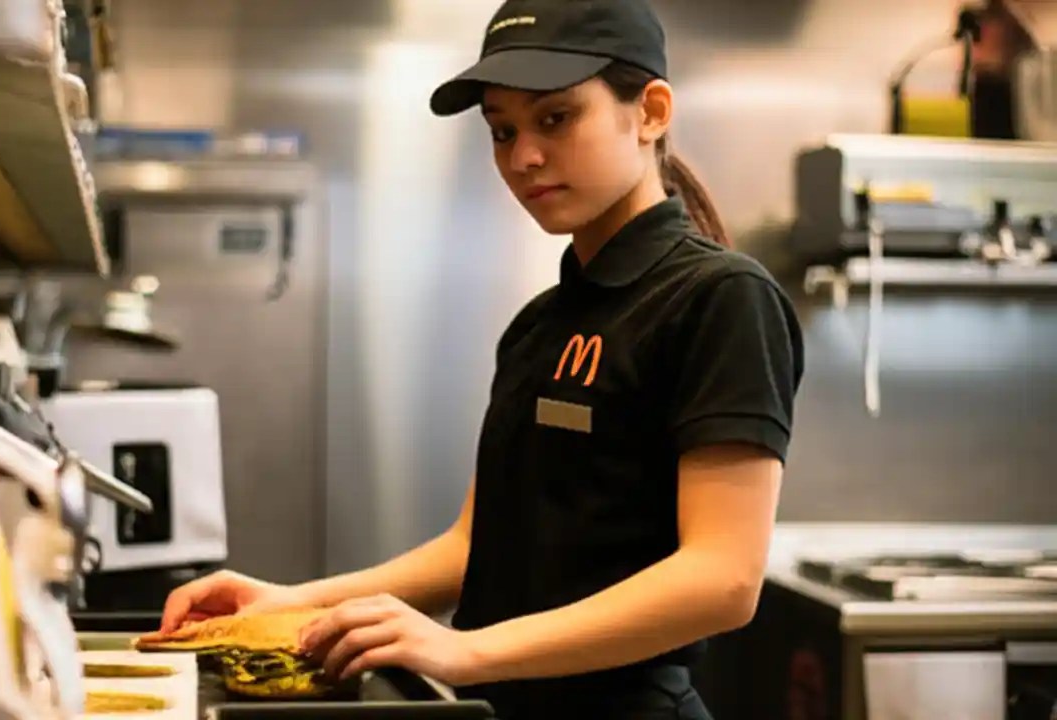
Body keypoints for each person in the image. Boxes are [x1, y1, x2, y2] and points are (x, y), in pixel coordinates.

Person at [158, 0, 804, 717]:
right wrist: (289, 603)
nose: (523, 156)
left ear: (650, 111)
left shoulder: (719, 298)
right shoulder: (541, 323)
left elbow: (722, 580)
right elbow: (476, 546)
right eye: (502, 130)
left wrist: (465, 650)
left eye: (555, 118)